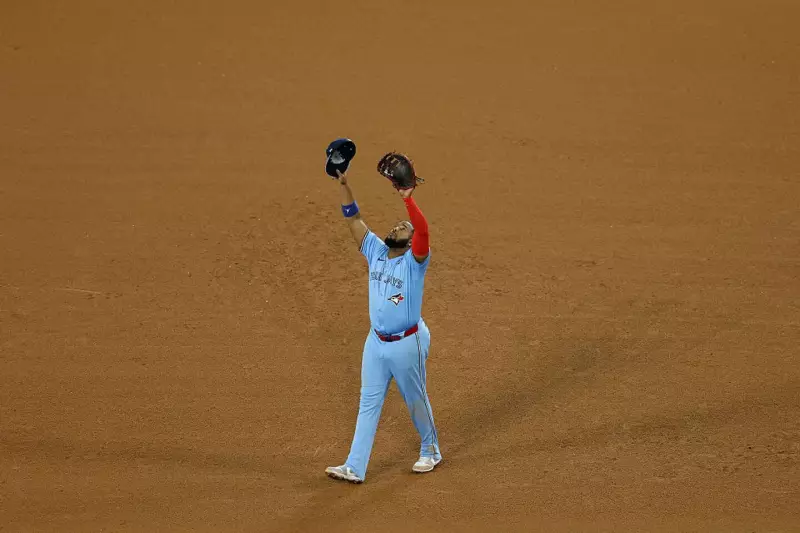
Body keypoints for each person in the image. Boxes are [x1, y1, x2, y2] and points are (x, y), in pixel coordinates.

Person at [325, 168, 442, 484]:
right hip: (375, 343)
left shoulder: (414, 262)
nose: (398, 226)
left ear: (409, 241)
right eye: (396, 225)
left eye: (404, 227)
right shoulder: (376, 250)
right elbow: (353, 219)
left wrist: (408, 201)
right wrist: (344, 184)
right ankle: (354, 465)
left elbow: (423, 230)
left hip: (408, 342)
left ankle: (431, 449)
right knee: (368, 401)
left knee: (414, 397)